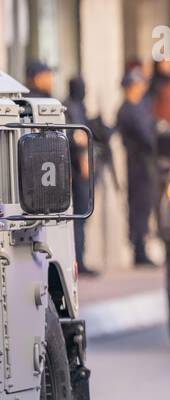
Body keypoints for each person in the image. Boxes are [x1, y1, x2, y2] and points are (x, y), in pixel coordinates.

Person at [116, 70, 158, 268]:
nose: (142, 88)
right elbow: (146, 137)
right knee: (139, 208)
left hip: (144, 165)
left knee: (145, 207)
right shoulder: (128, 110)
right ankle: (139, 250)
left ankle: (141, 248)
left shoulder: (140, 107)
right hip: (137, 165)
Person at [63, 77, 97, 278]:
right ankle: (78, 260)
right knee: (78, 217)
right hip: (76, 172)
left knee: (82, 216)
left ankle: (80, 259)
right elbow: (78, 139)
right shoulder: (71, 108)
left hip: (78, 171)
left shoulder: (77, 107)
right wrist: (83, 158)